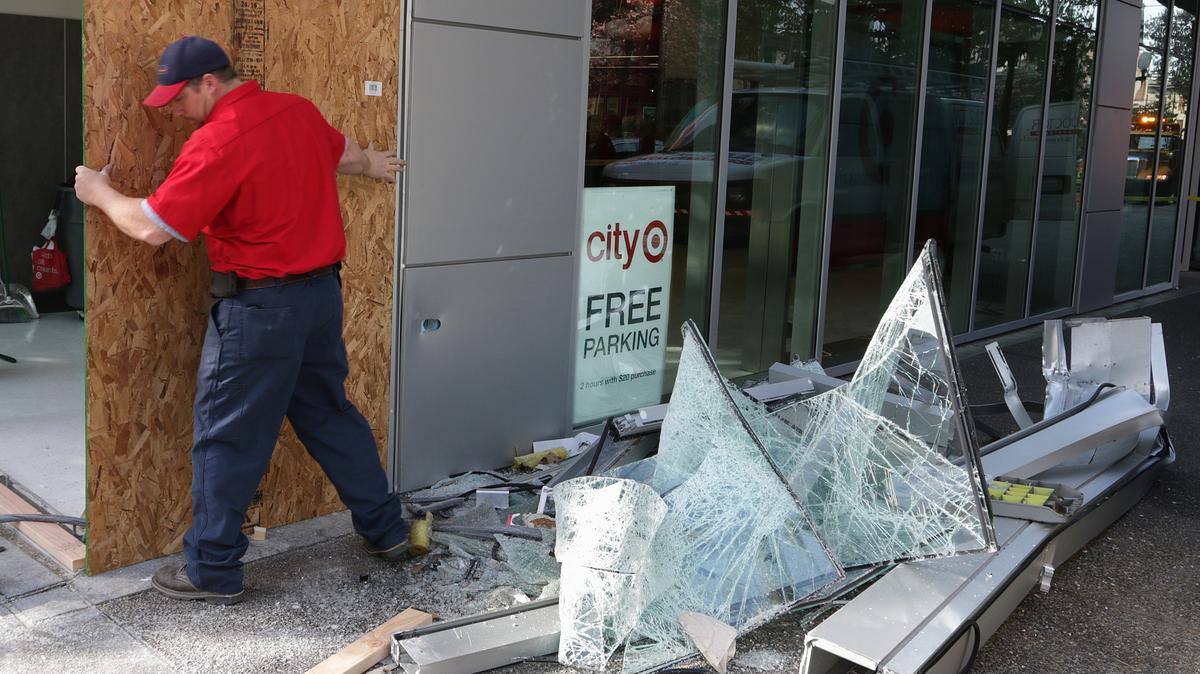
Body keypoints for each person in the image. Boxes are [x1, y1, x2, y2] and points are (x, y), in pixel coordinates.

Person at [74, 36, 409, 605]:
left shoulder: (220, 140)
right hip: (320, 299)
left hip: (261, 312)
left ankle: (211, 569)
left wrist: (100, 193)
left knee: (227, 439)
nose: (173, 112)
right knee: (329, 414)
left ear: (210, 82)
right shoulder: (296, 110)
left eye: (177, 100)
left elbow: (154, 226)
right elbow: (342, 153)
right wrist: (373, 165)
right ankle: (388, 531)